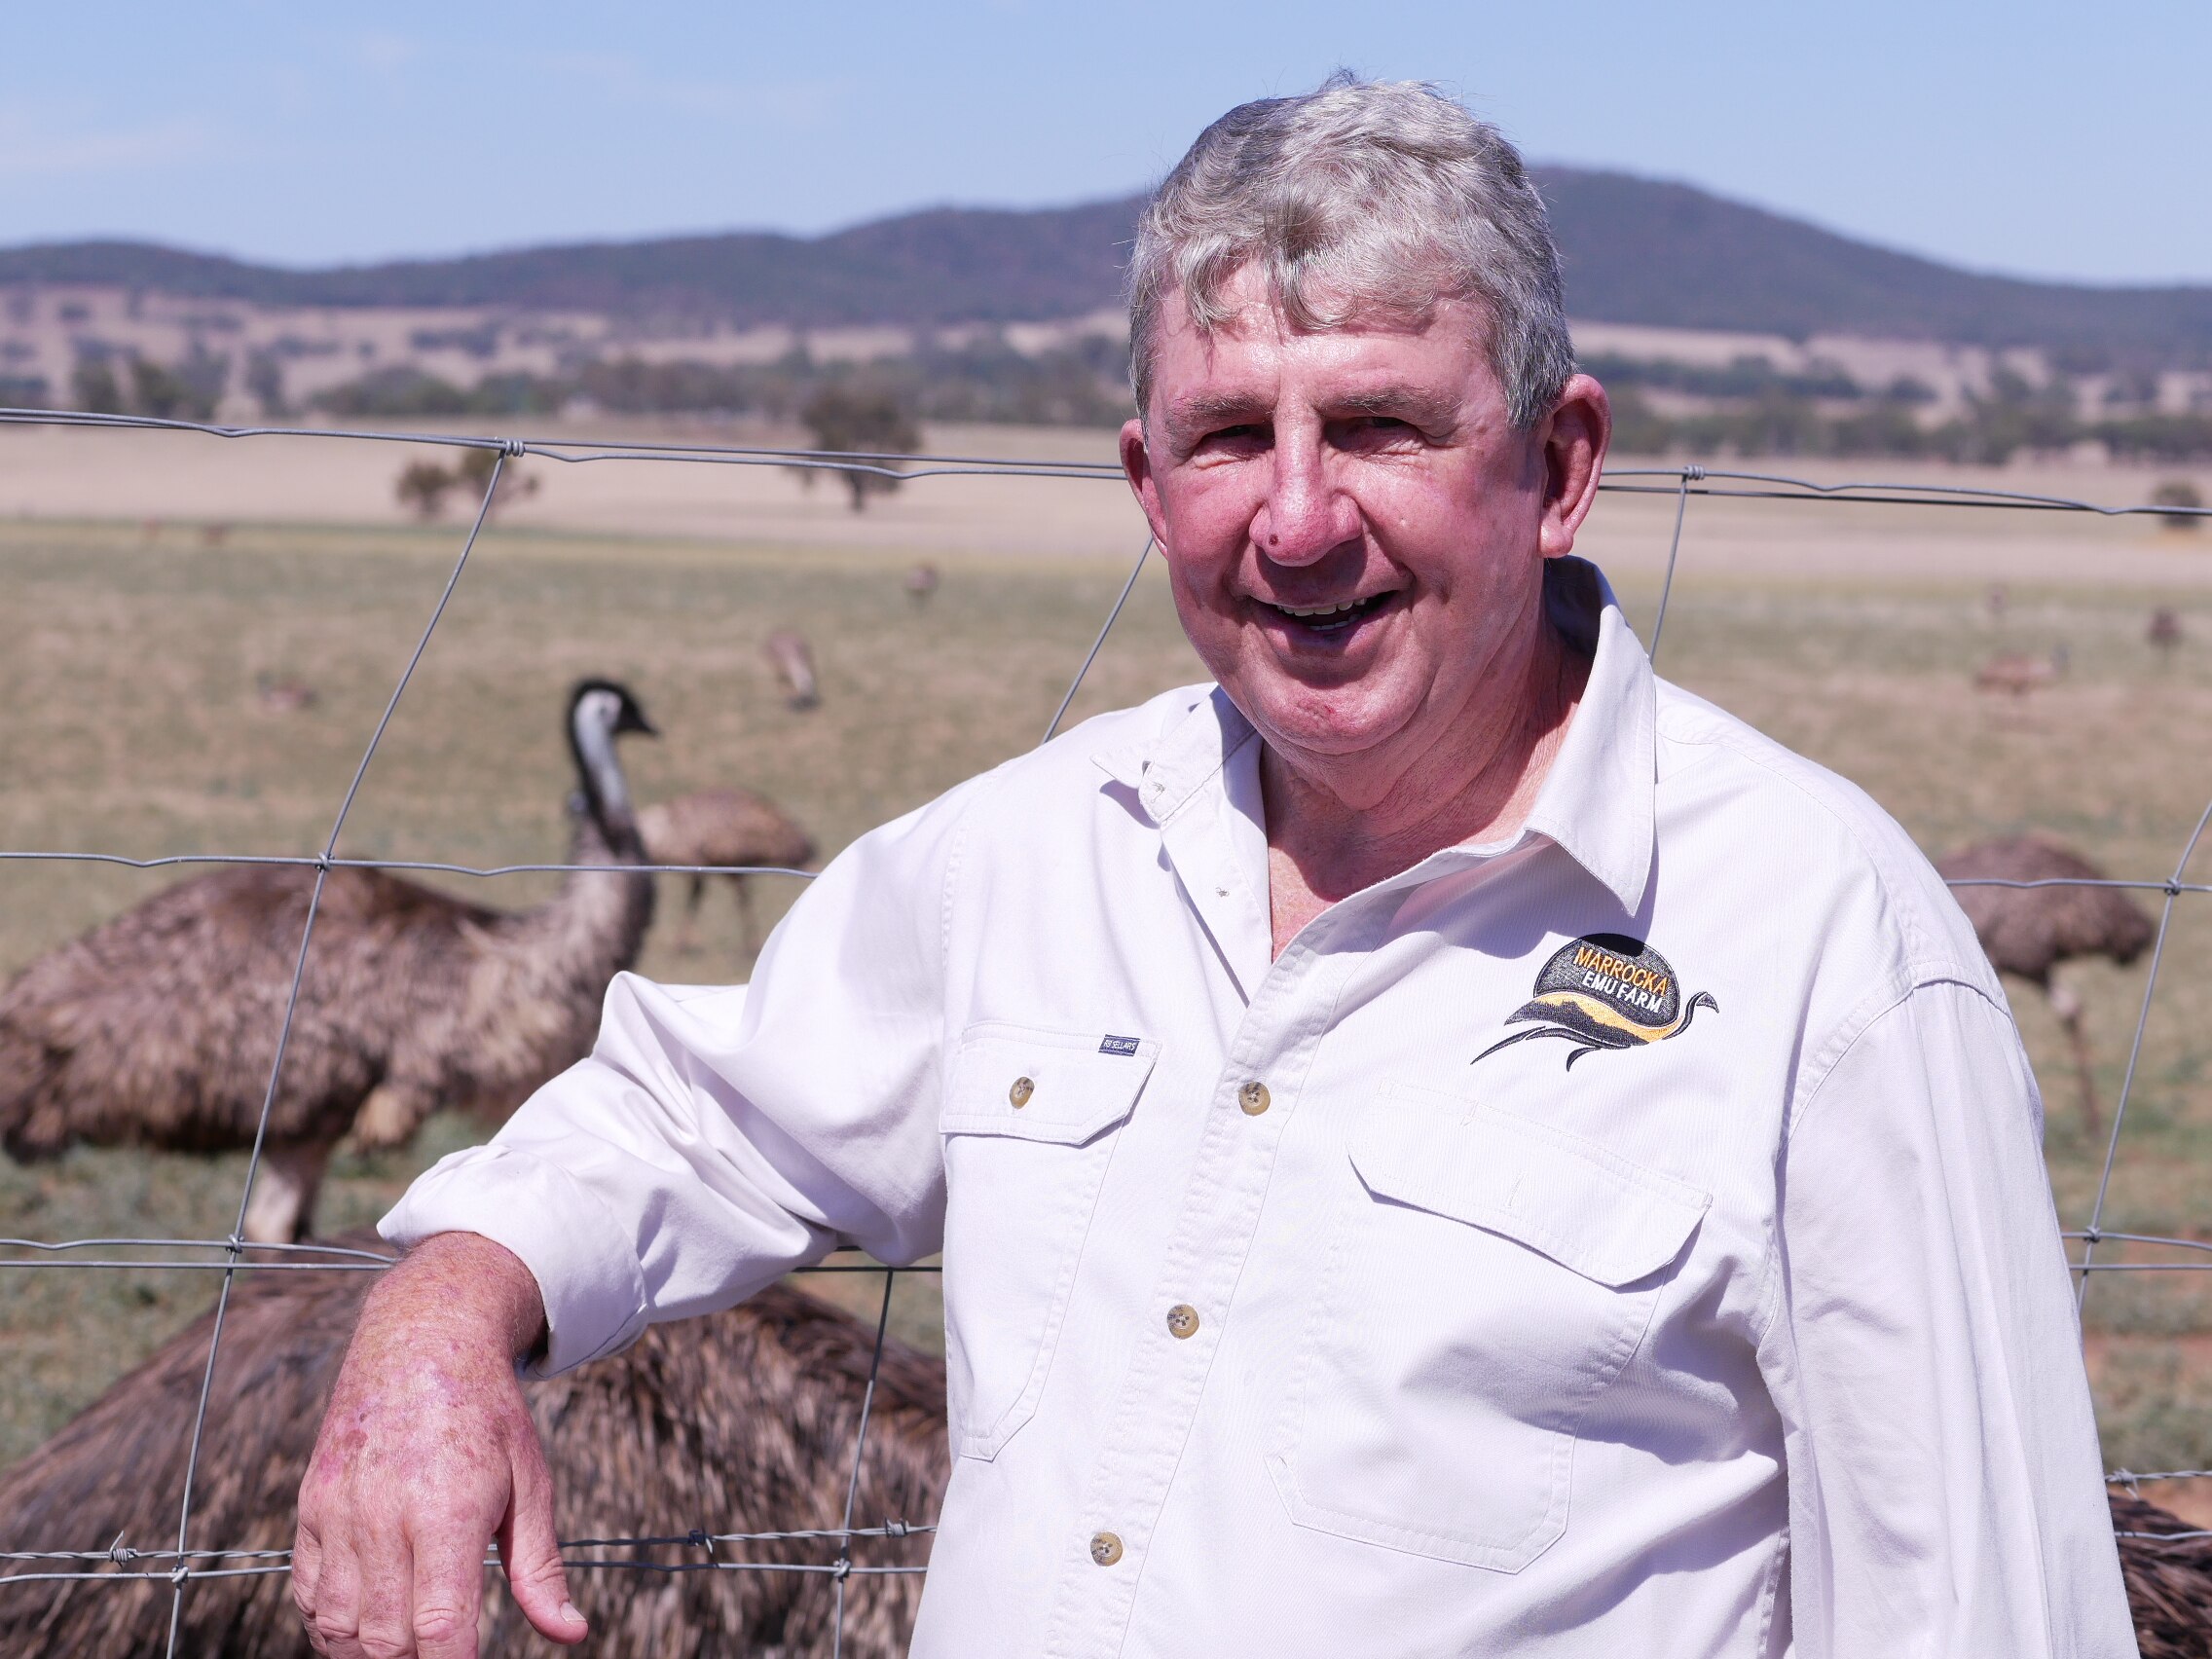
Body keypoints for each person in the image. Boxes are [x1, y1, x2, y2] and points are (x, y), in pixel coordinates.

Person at [294, 77, 2135, 1658]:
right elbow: (690, 1120)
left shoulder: (1823, 946)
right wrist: (442, 1316)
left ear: (1560, 466)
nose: (1300, 519)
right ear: (1144, 483)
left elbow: (1980, 1606)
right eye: (1231, 437)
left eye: (1383, 427)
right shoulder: (1043, 850)